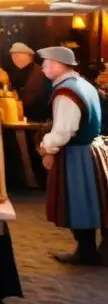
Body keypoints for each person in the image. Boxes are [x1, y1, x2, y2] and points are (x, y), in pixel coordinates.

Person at [38, 46, 103, 265]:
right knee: (93, 200)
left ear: (57, 64)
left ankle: (86, 250)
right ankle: (90, 250)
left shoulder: (67, 93)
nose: (43, 66)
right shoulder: (83, 84)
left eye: (46, 62)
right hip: (91, 149)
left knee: (79, 200)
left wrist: (47, 146)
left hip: (78, 154)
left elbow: (64, 130)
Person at [8, 42, 51, 123]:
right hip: (21, 115)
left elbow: (39, 100)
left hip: (34, 119)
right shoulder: (18, 72)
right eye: (12, 55)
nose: (14, 57)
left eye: (17, 54)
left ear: (29, 56)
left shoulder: (39, 73)